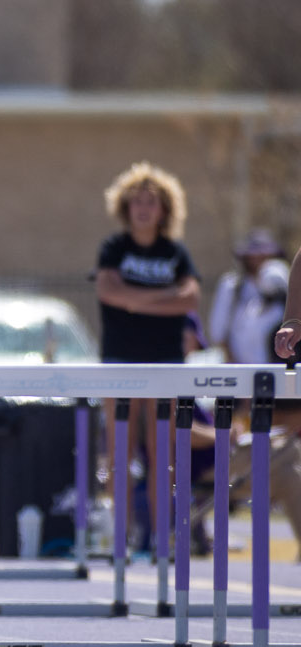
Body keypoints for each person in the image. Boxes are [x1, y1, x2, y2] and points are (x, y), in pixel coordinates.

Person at [92, 162, 200, 551]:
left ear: (165, 209)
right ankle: (122, 538)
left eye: (151, 202)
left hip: (166, 363)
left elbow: (189, 298)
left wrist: (135, 301)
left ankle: (160, 538)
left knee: (161, 453)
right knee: (119, 454)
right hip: (119, 360)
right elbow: (107, 292)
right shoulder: (114, 248)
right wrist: (162, 298)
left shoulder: (175, 252)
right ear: (124, 206)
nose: (143, 209)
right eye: (136, 202)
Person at [209, 229, 287, 365]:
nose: (258, 260)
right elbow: (218, 332)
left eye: (264, 255)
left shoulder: (282, 282)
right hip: (241, 368)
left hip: (278, 368)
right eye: (254, 255)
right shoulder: (232, 286)